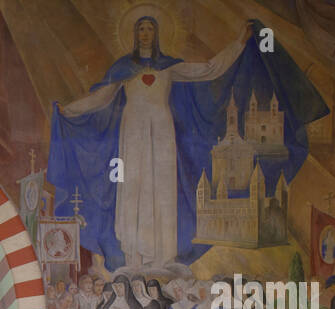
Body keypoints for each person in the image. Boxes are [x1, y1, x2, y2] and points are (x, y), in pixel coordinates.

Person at [51, 17, 254, 269]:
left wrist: (239, 43)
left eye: (149, 29)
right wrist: (68, 110)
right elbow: (99, 99)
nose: (145, 33)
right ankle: (134, 257)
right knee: (133, 187)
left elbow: (208, 69)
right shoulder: (124, 68)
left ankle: (163, 257)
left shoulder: (168, 66)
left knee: (163, 188)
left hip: (161, 129)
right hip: (133, 131)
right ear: (134, 34)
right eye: (141, 29)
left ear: (156, 34)